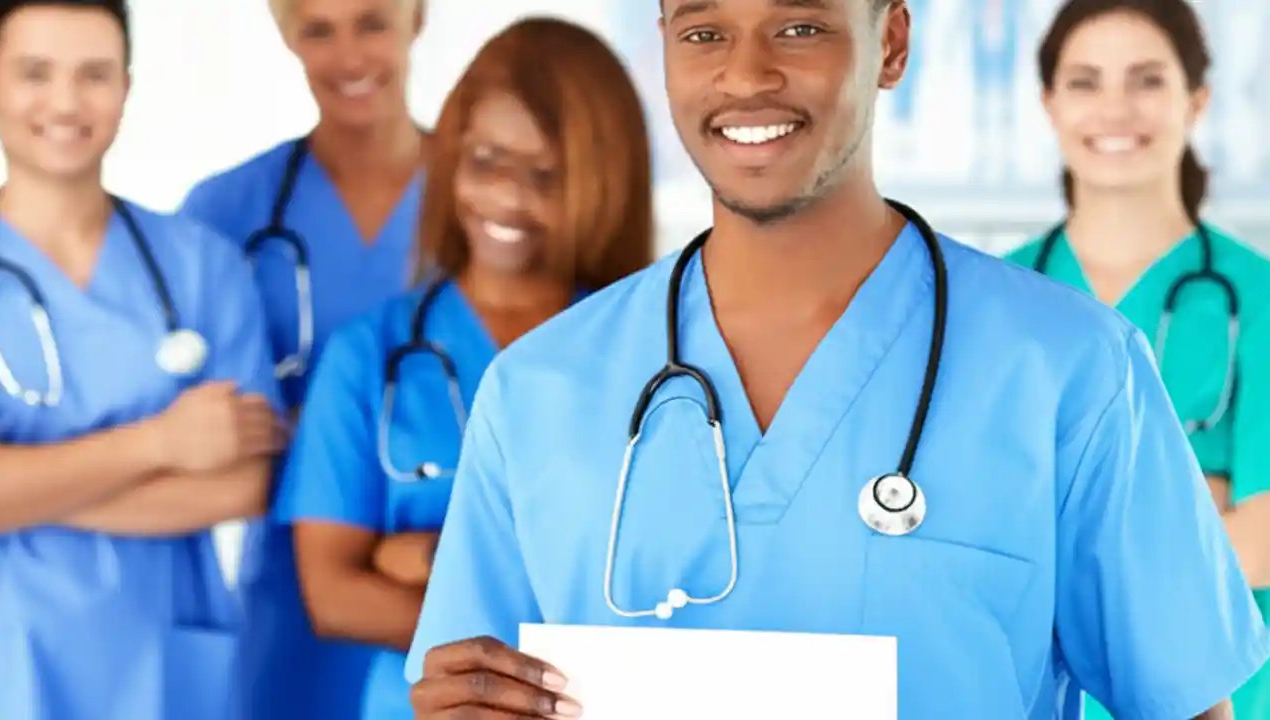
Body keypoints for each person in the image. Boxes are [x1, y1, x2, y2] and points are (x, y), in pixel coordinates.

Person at [404, 1, 1269, 718]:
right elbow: (472, 677)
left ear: (889, 43)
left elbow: (1185, 702)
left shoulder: (1071, 371)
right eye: (702, 33)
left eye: (801, 27)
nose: (746, 75)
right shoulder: (536, 390)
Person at [274, 18, 654, 719]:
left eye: (547, 174)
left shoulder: (649, 354)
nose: (507, 196)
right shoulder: (370, 352)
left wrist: (429, 560)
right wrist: (561, 644)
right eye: (486, 160)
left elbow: (661, 576)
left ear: (601, 181)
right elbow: (333, 595)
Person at [0, 1, 284, 718]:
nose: (66, 102)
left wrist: (21, 492)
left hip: (161, 659)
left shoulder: (200, 267)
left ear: (126, 86)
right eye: (36, 73)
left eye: (93, 74)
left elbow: (246, 487)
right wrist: (161, 443)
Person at [1006, 0, 1270, 717]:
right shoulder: (993, 299)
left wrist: (1064, 527)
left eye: (1147, 80)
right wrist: (1196, 497)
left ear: (1198, 100)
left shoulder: (1260, 295)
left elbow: (1264, 542)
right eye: (1086, 81)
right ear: (1049, 104)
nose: (1115, 108)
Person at [178, 1, 428, 717]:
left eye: (373, 23)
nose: (350, 57)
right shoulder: (227, 211)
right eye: (319, 30)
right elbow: (190, 423)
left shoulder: (489, 201)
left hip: (436, 579)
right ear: (287, 36)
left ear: (419, 19)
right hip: (287, 596)